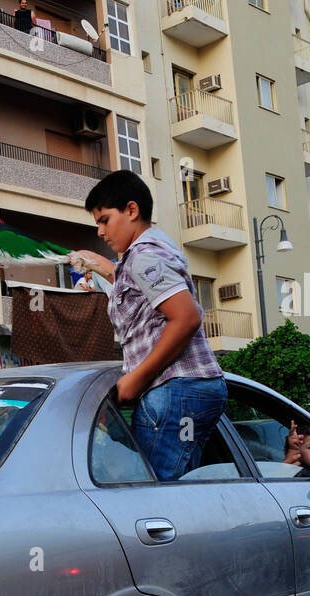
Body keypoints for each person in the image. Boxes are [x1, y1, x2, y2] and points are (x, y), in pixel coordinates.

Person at [70, 170, 227, 480]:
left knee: (153, 497)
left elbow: (186, 317)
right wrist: (99, 264)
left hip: (174, 388)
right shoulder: (147, 254)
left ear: (131, 210)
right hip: (191, 389)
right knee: (180, 490)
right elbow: (141, 290)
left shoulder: (143, 257)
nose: (100, 231)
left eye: (104, 220)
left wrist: (136, 379)